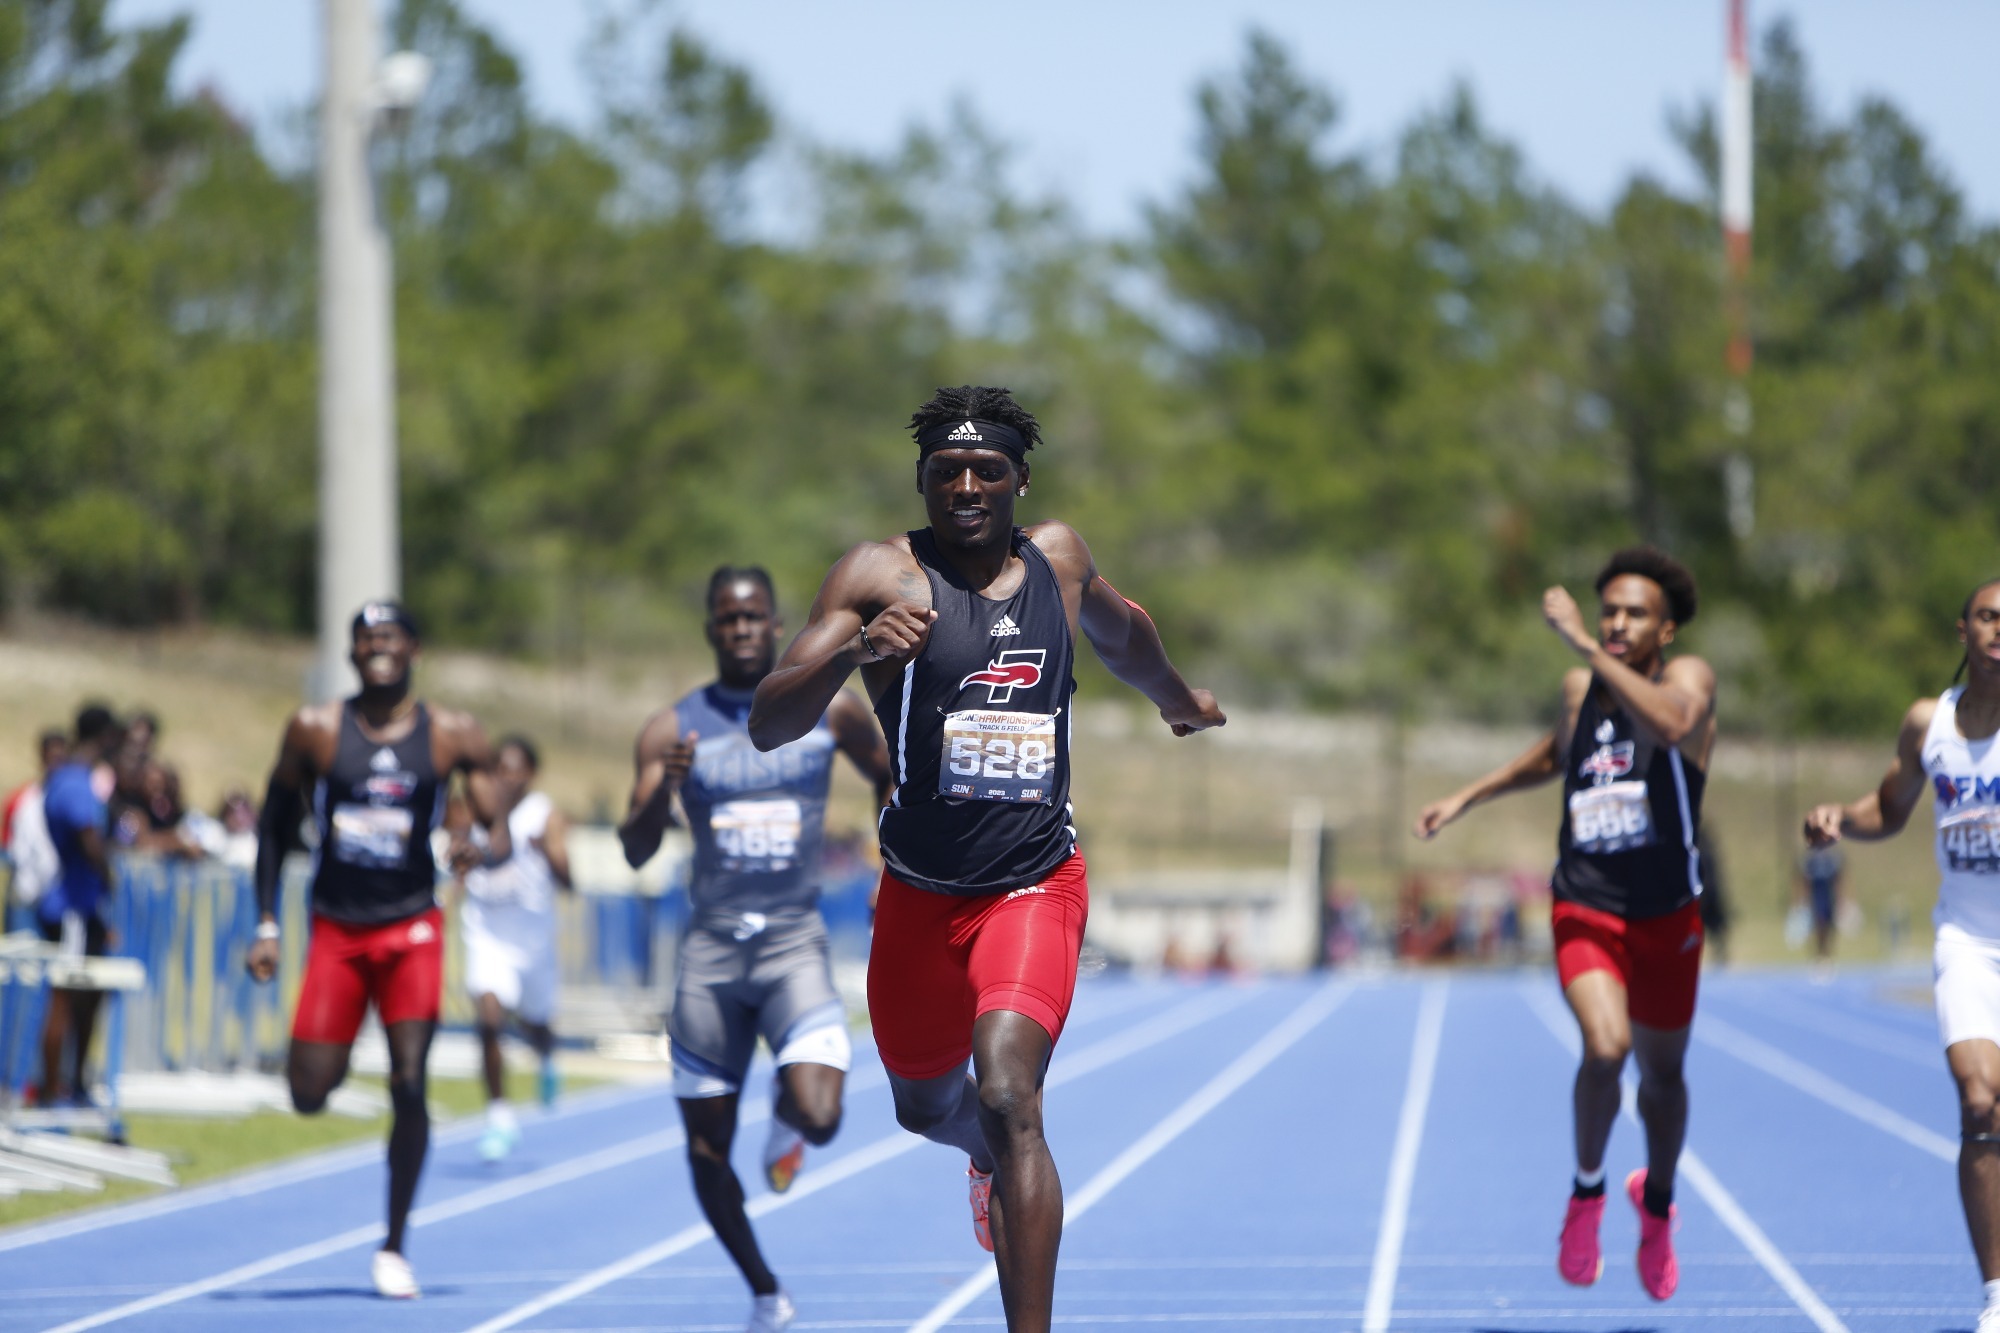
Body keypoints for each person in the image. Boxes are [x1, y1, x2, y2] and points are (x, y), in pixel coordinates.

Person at [748, 387, 1226, 1333]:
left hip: (1033, 884)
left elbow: (1125, 635)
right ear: (922, 483)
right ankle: (983, 1157)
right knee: (929, 1109)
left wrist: (1177, 699)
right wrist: (851, 653)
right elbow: (770, 721)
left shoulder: (1060, 560)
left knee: (1011, 1095)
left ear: (1020, 480)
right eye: (946, 473)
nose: (967, 486)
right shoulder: (880, 575)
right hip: (920, 899)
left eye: (988, 470)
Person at [1414, 547, 1714, 1302]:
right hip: (1585, 900)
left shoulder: (1688, 682)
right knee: (1606, 1047)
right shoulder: (1581, 690)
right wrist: (1468, 795)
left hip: (1668, 914)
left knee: (1665, 1078)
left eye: (1634, 613)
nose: (1616, 623)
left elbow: (1673, 724)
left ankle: (1658, 1201)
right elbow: (1558, 753)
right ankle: (1587, 1192)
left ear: (1666, 629)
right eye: (1608, 609)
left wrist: (1584, 646)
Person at [621, 565, 891, 1333]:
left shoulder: (832, 712)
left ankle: (784, 1117)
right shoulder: (673, 729)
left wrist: (890, 863)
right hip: (709, 959)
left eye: (753, 617)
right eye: (727, 618)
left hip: (791, 945)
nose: (740, 628)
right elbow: (636, 849)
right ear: (712, 628)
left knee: (822, 1111)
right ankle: (765, 1289)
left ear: (776, 627)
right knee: (706, 1153)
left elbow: (889, 775)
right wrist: (657, 796)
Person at [245, 601, 508, 1300]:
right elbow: (272, 829)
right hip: (337, 926)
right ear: (352, 653)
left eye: (389, 638)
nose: (377, 650)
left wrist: (474, 846)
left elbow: (498, 832)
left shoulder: (451, 734)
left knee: (411, 1080)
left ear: (414, 648)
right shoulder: (316, 729)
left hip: (411, 927)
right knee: (307, 1092)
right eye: (365, 640)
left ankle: (394, 1244)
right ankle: (345, 1040)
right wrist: (267, 921)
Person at [1803, 576, 2000, 1333]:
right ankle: (1996, 1294)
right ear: (1963, 630)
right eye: (1987, 617)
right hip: (1970, 942)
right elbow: (1889, 807)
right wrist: (1837, 819)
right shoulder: (1930, 722)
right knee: (1980, 1099)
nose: (1998, 630)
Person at [460, 734, 571, 1162]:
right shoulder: (471, 807)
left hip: (532, 942)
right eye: (498, 769)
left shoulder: (544, 816)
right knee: (489, 1020)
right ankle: (499, 1116)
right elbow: (455, 851)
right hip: (486, 933)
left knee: (534, 1024)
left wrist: (550, 855)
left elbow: (569, 881)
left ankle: (546, 1056)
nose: (505, 778)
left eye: (514, 769)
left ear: (530, 774)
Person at [34, 705, 125, 1107]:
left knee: (89, 996)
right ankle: (51, 1091)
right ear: (103, 737)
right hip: (69, 905)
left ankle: (75, 1082)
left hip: (84, 907)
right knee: (65, 996)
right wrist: (107, 873)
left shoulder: (77, 778)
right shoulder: (73, 781)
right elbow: (87, 835)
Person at [4, 729, 70, 922]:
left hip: (62, 899)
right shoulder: (23, 801)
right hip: (26, 897)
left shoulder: (75, 800)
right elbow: (8, 847)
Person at [1796, 842, 1845, 963]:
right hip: (1817, 895)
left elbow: (1837, 879)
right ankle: (1818, 954)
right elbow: (1805, 879)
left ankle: (1827, 954)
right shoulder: (1811, 857)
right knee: (1817, 924)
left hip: (1828, 895)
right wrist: (1803, 898)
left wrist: (1840, 898)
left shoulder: (1832, 857)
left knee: (1829, 926)